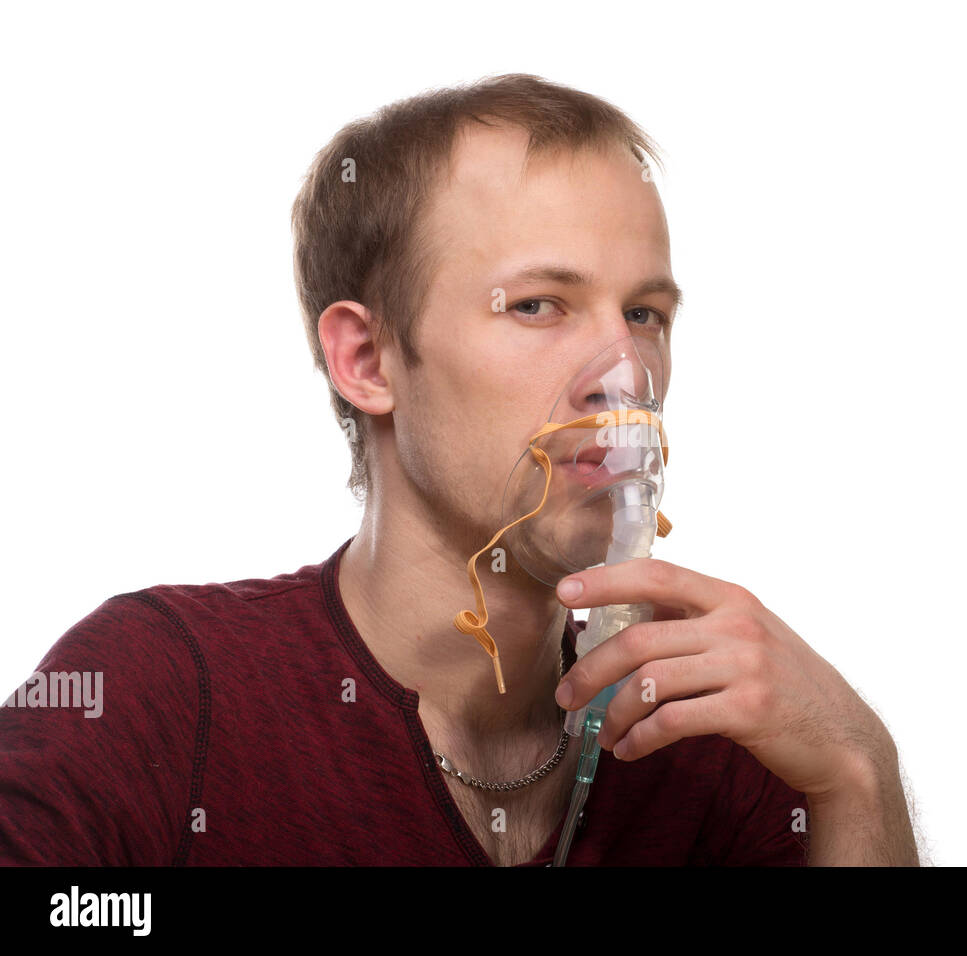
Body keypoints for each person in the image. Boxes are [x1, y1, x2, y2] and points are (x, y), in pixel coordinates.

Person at [0, 74, 918, 866]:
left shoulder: (709, 743)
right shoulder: (159, 692)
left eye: (644, 315)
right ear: (367, 361)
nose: (625, 382)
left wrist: (855, 771)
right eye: (537, 305)